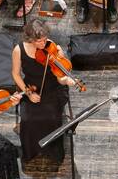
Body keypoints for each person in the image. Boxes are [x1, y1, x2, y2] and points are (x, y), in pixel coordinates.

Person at [12, 19, 76, 166]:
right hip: (31, 88)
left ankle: (53, 152)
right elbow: (15, 74)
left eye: (45, 39)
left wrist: (67, 81)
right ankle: (31, 151)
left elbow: (60, 78)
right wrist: (28, 93)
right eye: (38, 41)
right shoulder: (18, 50)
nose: (43, 44)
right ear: (29, 39)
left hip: (52, 88)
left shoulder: (52, 47)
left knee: (52, 118)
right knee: (27, 120)